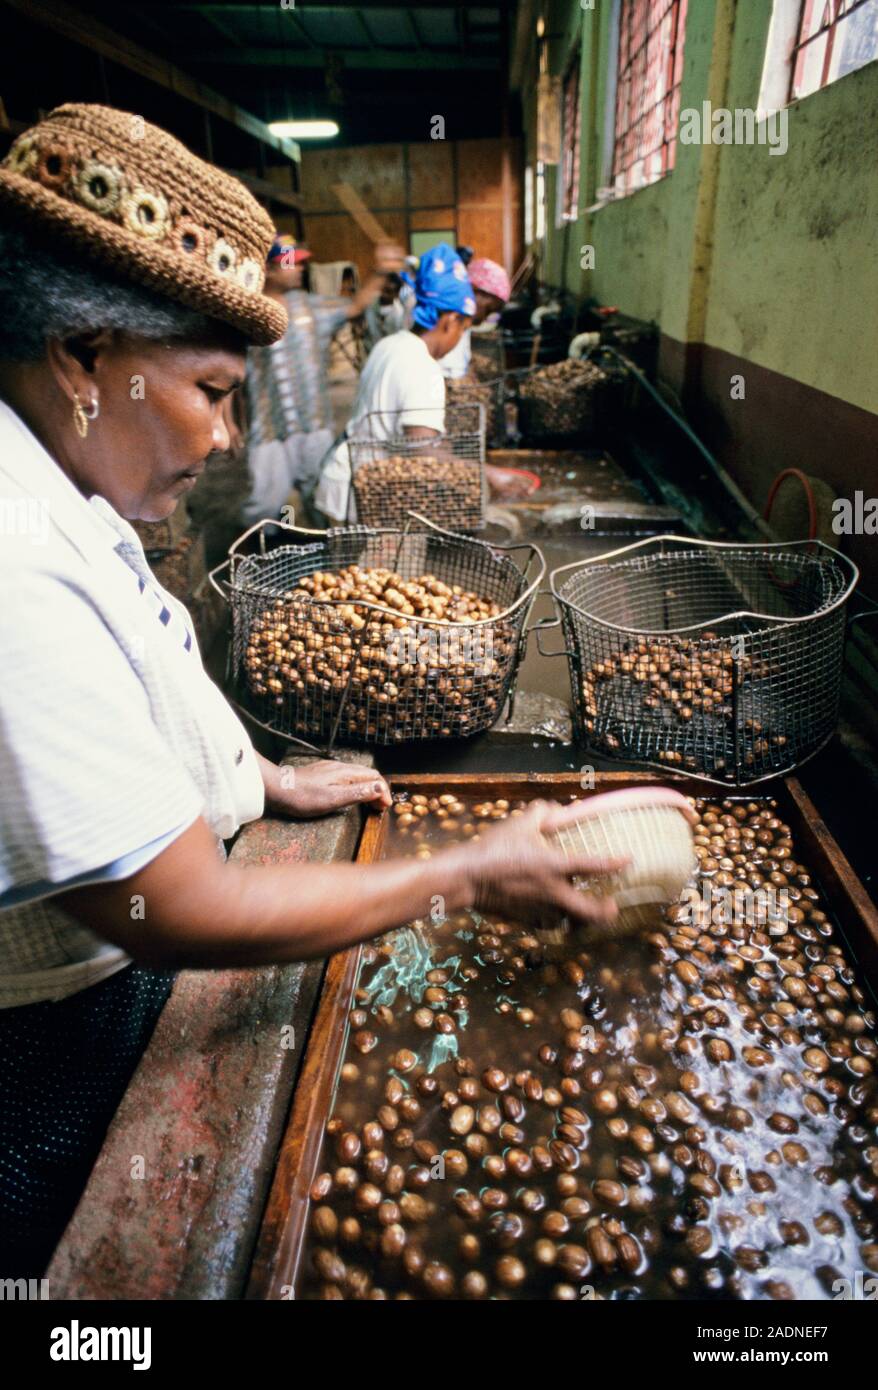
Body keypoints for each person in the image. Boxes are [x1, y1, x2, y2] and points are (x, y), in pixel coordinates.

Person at [0, 104, 626, 1274]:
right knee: (97, 1276)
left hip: (125, 976)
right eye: (211, 390)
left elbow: (137, 692)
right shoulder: (10, 556)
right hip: (61, 1044)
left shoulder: (62, 489)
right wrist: (469, 874)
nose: (232, 436)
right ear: (88, 359)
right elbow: (175, 910)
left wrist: (258, 777)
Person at [242, 233, 405, 524]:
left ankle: (320, 549)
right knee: (265, 502)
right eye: (291, 262)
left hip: (313, 423)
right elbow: (232, 371)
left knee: (319, 494)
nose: (300, 268)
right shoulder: (246, 312)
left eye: (301, 263)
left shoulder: (311, 307)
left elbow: (355, 306)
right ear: (267, 269)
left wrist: (380, 272)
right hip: (267, 428)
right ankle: (263, 553)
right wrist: (227, 420)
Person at [441, 256, 511, 380]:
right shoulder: (448, 318)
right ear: (474, 291)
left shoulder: (464, 321)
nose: (485, 318)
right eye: (488, 309)